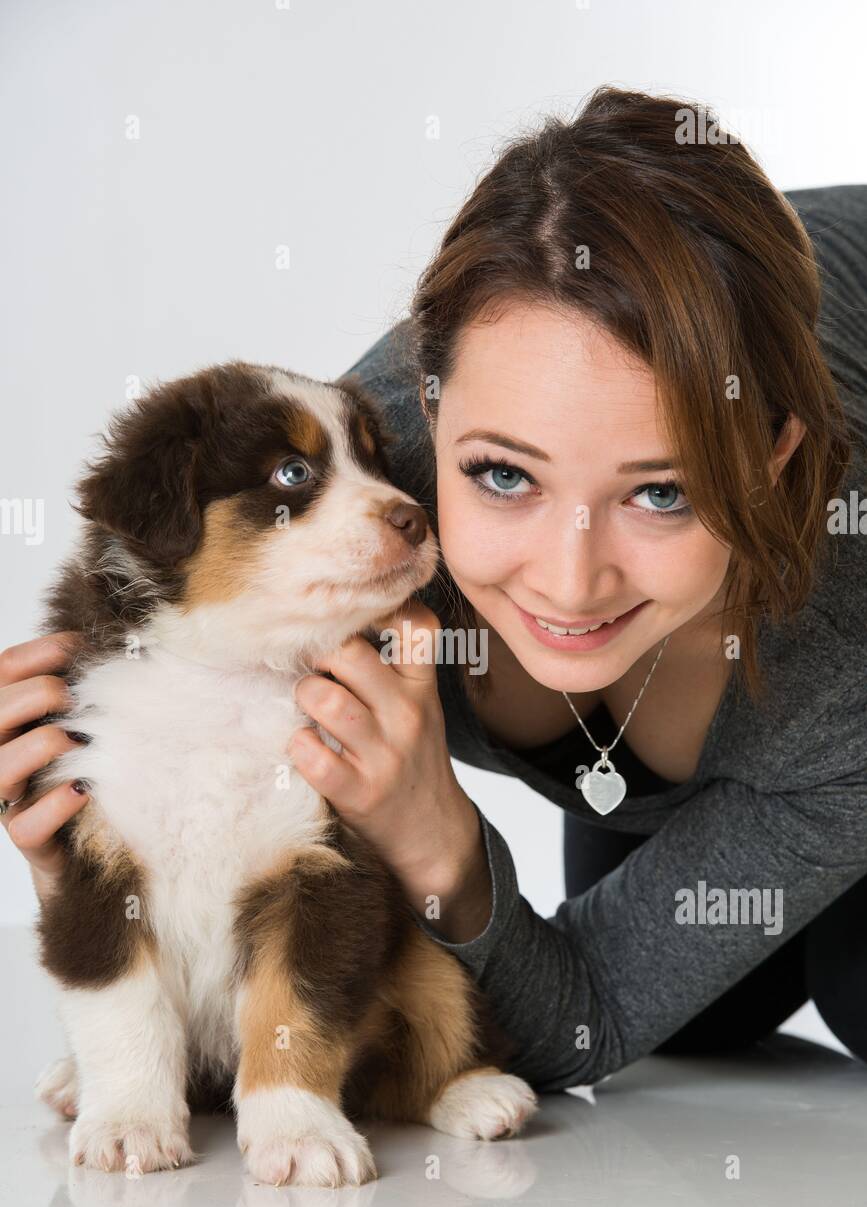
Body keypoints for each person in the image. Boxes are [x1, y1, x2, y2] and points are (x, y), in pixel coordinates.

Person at [3, 87, 865, 1091]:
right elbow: (579, 1012)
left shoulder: (837, 675)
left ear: (772, 460)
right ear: (428, 411)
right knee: (710, 1014)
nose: (570, 581)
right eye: (504, 474)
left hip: (826, 700)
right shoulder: (363, 509)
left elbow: (586, 1018)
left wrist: (442, 842)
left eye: (661, 491)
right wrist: (114, 861)